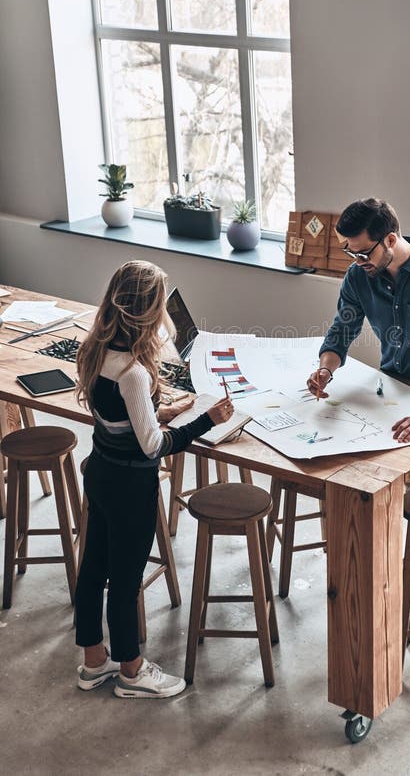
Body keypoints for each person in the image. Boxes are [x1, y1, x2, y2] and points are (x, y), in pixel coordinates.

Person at [307, 198, 410, 632]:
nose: (356, 261)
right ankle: (373, 577)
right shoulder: (360, 276)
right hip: (391, 384)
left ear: (390, 240)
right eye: (348, 251)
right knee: (365, 478)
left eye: (362, 252)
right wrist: (326, 367)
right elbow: (341, 330)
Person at [74, 260, 234, 698]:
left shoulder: (94, 351)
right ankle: (131, 671)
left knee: (93, 568)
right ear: (147, 312)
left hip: (101, 473)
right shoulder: (135, 373)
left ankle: (93, 662)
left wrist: (162, 411)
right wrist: (206, 420)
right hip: (131, 488)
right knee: (126, 581)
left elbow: (117, 421)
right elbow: (153, 447)